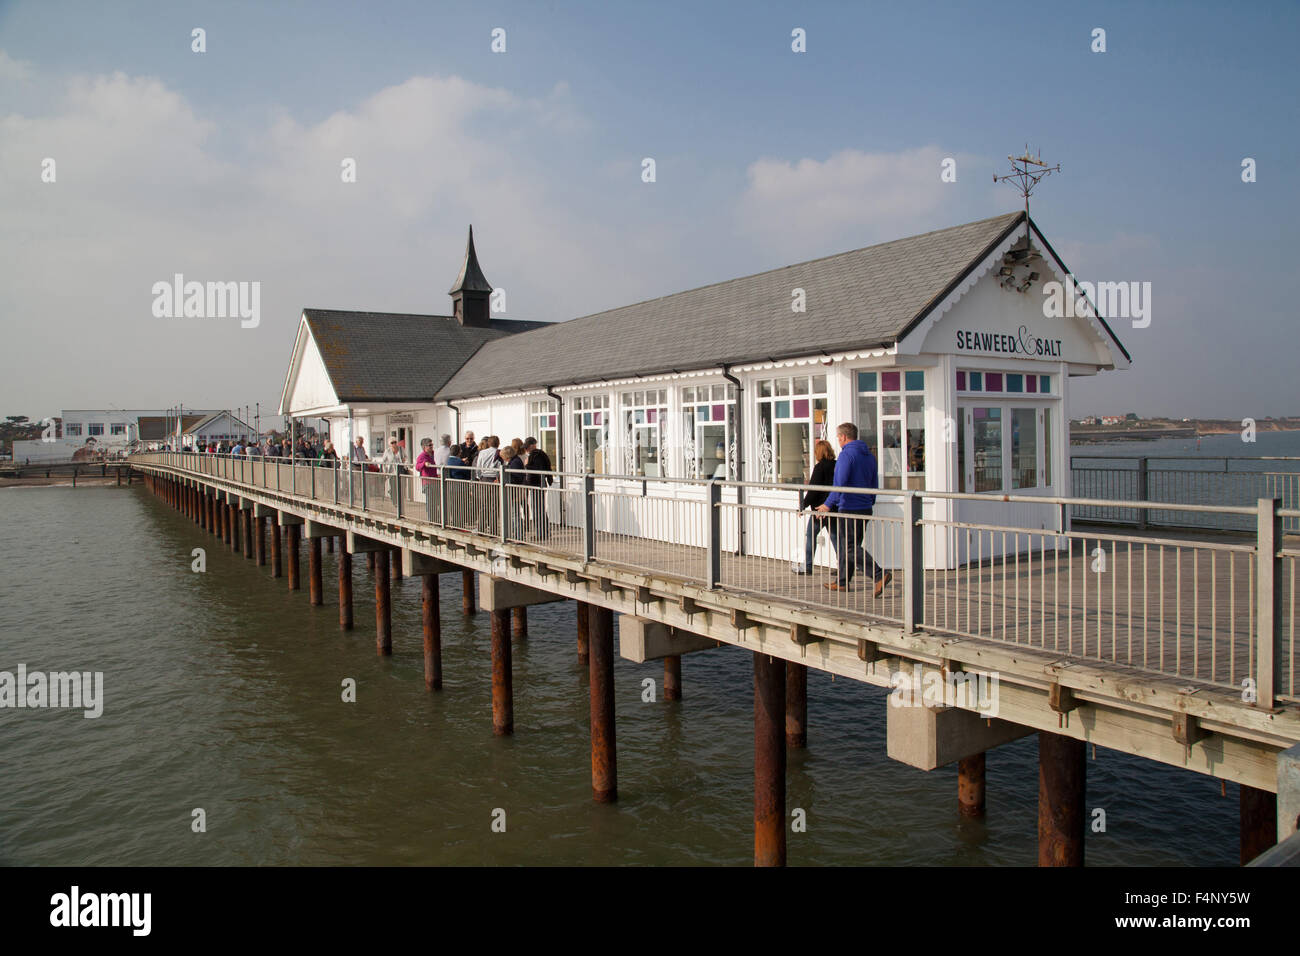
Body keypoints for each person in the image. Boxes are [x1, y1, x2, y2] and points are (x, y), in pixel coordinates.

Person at [817, 422, 890, 596]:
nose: (838, 440)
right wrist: (870, 500)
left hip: (849, 507)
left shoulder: (846, 455)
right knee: (849, 546)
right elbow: (874, 482)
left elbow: (839, 484)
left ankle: (879, 574)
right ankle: (842, 582)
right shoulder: (869, 456)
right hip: (865, 506)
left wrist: (827, 504)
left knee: (849, 547)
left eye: (838, 437)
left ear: (843, 437)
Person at [793, 439, 836, 575]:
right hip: (833, 507)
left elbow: (813, 491)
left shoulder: (820, 467)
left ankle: (808, 566)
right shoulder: (837, 465)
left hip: (819, 510)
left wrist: (802, 506)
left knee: (810, 536)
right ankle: (843, 566)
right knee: (836, 537)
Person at [523, 437, 552, 540]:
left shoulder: (536, 455)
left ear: (531, 446)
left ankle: (541, 534)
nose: (526, 450)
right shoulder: (538, 454)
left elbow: (538, 469)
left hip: (537, 484)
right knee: (539, 509)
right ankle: (544, 532)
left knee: (537, 510)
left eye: (526, 448)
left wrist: (527, 466)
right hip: (538, 484)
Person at [474, 436, 501, 532]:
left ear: (489, 443)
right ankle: (493, 529)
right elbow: (499, 466)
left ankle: (481, 528)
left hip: (484, 479)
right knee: (494, 505)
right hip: (494, 479)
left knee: (484, 504)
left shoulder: (482, 452)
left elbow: (478, 466)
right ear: (498, 443)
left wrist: (479, 477)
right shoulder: (499, 452)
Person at [500, 440, 526, 539]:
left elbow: (515, 477)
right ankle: (517, 534)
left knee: (515, 514)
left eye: (503, 457)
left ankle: (518, 536)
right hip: (515, 490)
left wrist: (504, 478)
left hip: (515, 491)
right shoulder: (515, 460)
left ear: (507, 456)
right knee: (514, 513)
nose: (503, 459)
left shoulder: (515, 462)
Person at [415, 437, 439, 521]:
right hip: (427, 482)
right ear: (424, 447)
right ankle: (431, 519)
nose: (432, 446)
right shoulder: (422, 456)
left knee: (435, 501)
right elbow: (417, 467)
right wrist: (424, 464)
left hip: (434, 481)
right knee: (430, 502)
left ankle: (436, 518)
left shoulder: (433, 454)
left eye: (432, 445)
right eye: (429, 445)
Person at [379, 437, 405, 502]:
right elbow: (383, 462)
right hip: (392, 472)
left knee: (401, 487)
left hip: (400, 470)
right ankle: (394, 501)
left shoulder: (401, 449)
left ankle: (399, 501)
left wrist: (404, 461)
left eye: (395, 442)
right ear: (389, 444)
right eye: (392, 443)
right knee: (393, 487)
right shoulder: (387, 451)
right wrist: (385, 471)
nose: (394, 444)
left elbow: (405, 457)